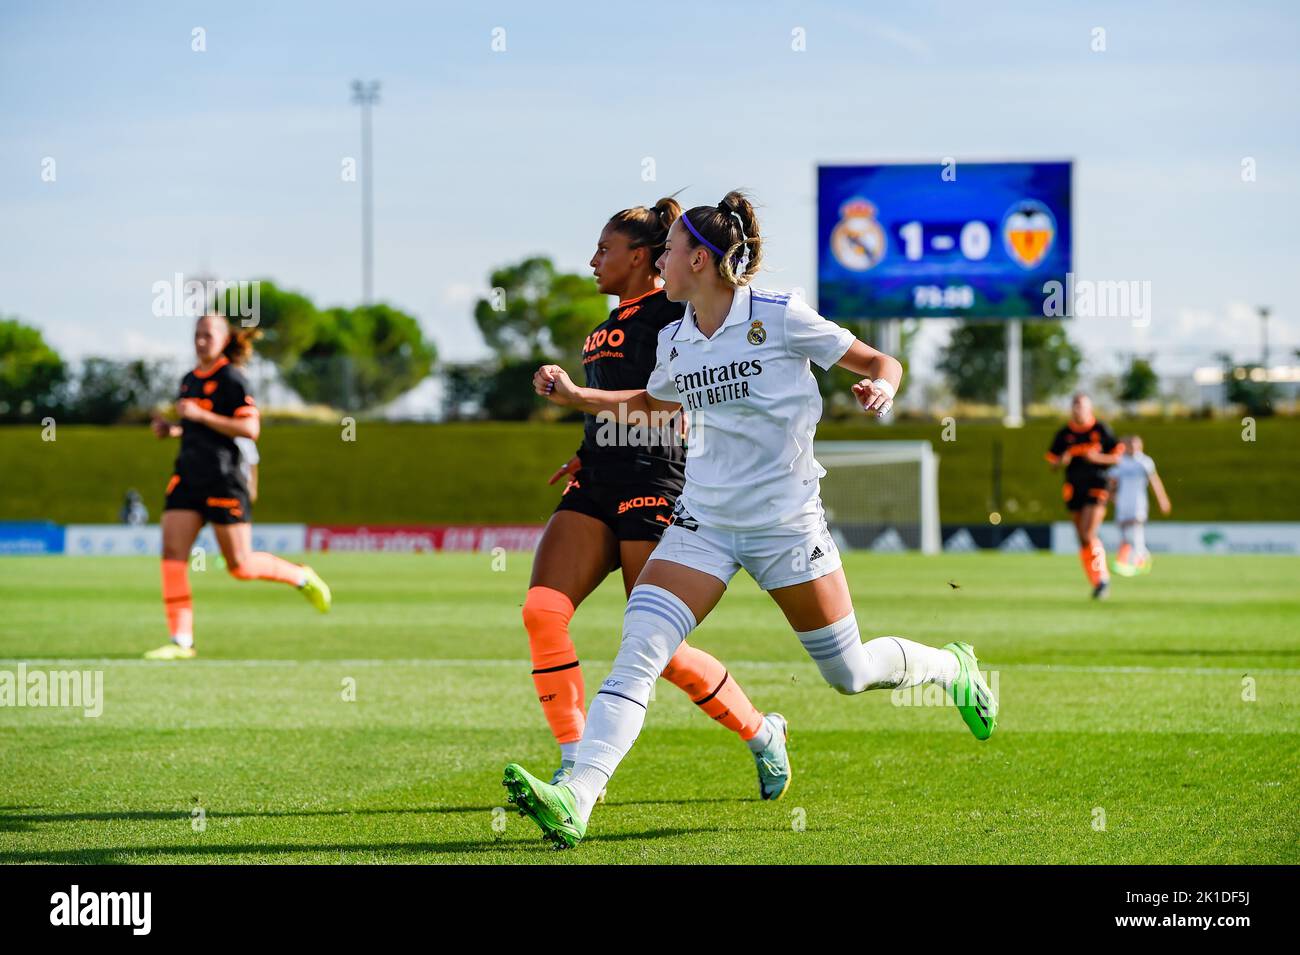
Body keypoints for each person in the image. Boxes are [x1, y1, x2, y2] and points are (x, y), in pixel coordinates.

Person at [502, 190, 997, 849]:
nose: (661, 263)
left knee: (849, 673)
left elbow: (882, 360)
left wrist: (883, 386)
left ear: (699, 261)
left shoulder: (779, 314)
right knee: (638, 650)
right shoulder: (676, 337)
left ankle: (950, 667)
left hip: (785, 527)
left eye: (670, 252)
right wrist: (577, 398)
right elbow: (652, 404)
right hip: (702, 524)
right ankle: (577, 797)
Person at [524, 196, 789, 803]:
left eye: (605, 249)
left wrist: (579, 399)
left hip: (655, 481)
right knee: (541, 611)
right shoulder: (606, 324)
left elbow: (668, 398)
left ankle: (761, 732)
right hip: (597, 480)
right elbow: (614, 404)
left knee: (660, 650)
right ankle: (573, 765)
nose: (593, 260)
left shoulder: (674, 313)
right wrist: (585, 449)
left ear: (642, 257)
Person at [145, 314, 331, 660]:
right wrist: (173, 430)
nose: (201, 341)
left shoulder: (232, 378)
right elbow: (198, 430)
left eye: (208, 335)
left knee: (240, 566)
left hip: (224, 479)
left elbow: (250, 429)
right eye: (197, 335)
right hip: (187, 477)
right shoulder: (189, 381)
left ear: (224, 339)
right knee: (172, 555)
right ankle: (181, 641)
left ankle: (300, 576)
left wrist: (200, 415)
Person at [1047, 393, 1124, 599]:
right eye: (1075, 406)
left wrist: (1097, 458)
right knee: (1081, 537)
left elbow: (1118, 457)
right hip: (1074, 487)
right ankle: (1096, 581)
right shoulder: (1064, 434)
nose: (1078, 409)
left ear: (1089, 408)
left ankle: (1102, 578)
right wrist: (1061, 462)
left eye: (1081, 406)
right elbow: (1052, 463)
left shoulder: (1101, 429)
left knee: (1089, 533)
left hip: (1097, 484)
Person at [1108, 435, 1171, 575]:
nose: (1133, 447)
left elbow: (1154, 481)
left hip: (1138, 501)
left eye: (1136, 444)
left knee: (1136, 529)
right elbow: (1112, 481)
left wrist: (1162, 499)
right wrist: (1110, 496)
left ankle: (1137, 562)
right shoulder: (1119, 460)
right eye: (1130, 444)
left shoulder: (1144, 462)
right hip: (1122, 502)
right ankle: (1140, 558)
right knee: (1124, 532)